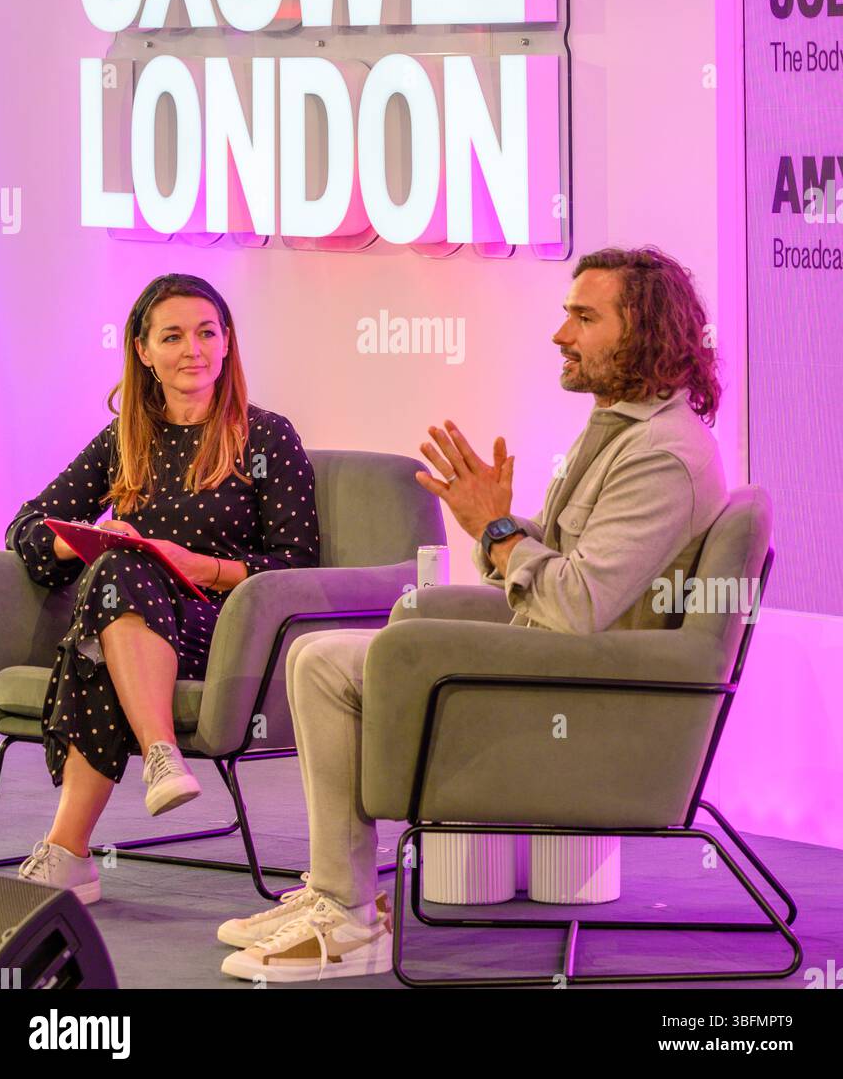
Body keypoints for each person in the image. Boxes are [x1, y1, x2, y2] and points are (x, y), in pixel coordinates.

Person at [216, 244, 730, 984]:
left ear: (643, 332)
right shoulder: (620, 426)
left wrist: (499, 531)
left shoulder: (662, 456)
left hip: (587, 701)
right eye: (565, 314)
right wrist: (492, 527)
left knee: (327, 662)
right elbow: (559, 569)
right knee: (320, 654)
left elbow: (577, 604)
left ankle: (348, 912)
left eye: (584, 317)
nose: (561, 334)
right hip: (556, 670)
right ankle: (341, 898)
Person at [5, 272, 320, 904]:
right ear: (143, 352)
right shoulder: (126, 443)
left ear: (228, 341)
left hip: (230, 628)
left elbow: (296, 566)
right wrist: (86, 539)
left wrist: (197, 565)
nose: (192, 349)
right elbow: (28, 527)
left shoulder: (265, 436)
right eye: (172, 336)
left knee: (98, 628)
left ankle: (71, 848)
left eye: (206, 332)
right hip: (133, 620)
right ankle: (157, 756)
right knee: (117, 582)